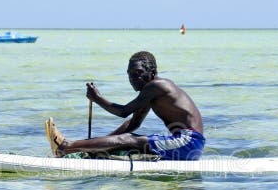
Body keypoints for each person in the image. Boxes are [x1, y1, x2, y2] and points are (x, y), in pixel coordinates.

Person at [45, 51, 205, 160]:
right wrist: (102, 143)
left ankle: (65, 147)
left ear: (153, 73)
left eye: (138, 73)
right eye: (130, 74)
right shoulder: (150, 93)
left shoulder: (158, 86)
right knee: (124, 141)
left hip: (189, 142)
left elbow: (123, 112)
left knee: (127, 140)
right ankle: (82, 150)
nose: (133, 79)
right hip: (186, 145)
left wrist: (97, 98)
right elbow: (132, 124)